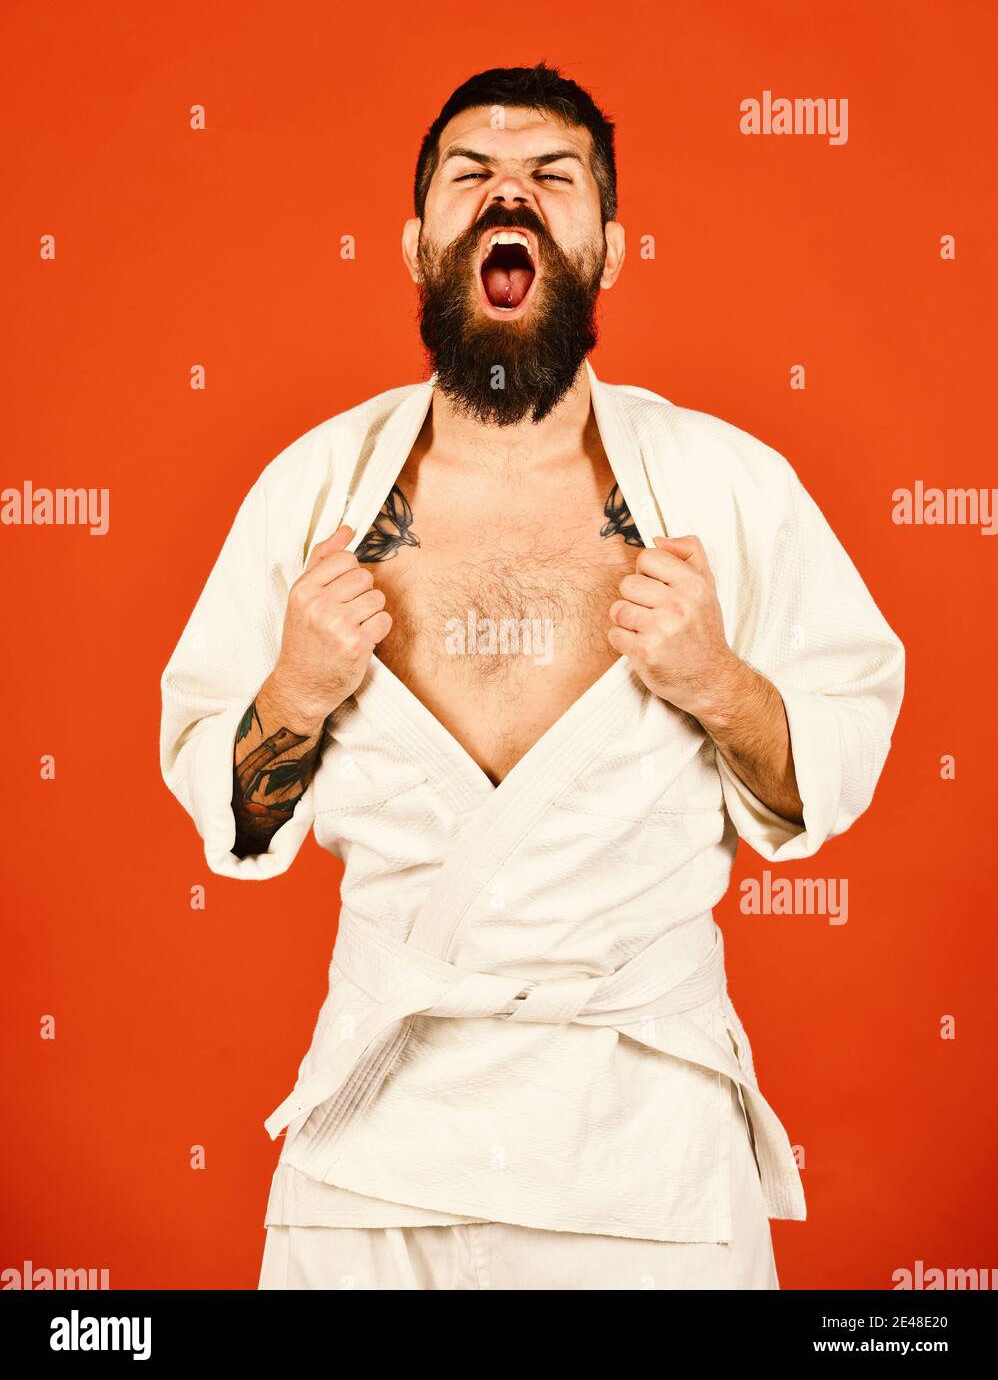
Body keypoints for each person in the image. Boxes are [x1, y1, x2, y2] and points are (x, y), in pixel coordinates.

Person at [159, 63, 905, 1291]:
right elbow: (227, 812)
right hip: (373, 1162)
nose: (509, 195)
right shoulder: (313, 492)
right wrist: (293, 688)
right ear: (416, 244)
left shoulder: (729, 486)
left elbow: (831, 770)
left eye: (551, 178)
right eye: (472, 176)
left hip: (645, 1150)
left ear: (607, 248)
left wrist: (714, 677)